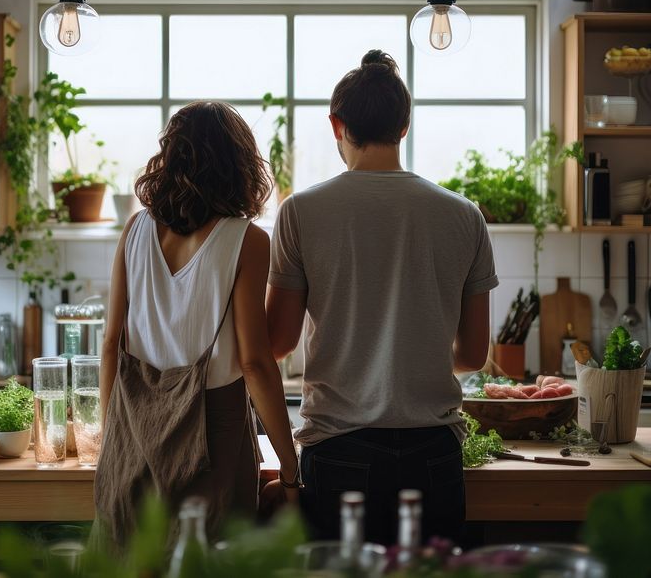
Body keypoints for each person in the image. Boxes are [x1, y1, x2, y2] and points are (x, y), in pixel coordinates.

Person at [265, 50, 497, 545]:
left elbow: (277, 343)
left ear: (337, 124)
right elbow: (474, 355)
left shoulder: (300, 212)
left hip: (338, 448)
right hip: (433, 451)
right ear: (403, 126)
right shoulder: (464, 215)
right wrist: (417, 356)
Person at [94, 101, 299, 549]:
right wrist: (290, 471)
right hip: (214, 440)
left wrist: (113, 442)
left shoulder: (135, 230)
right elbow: (255, 363)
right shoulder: (246, 240)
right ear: (240, 164)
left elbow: (110, 345)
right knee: (208, 560)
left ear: (170, 158)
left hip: (134, 434)